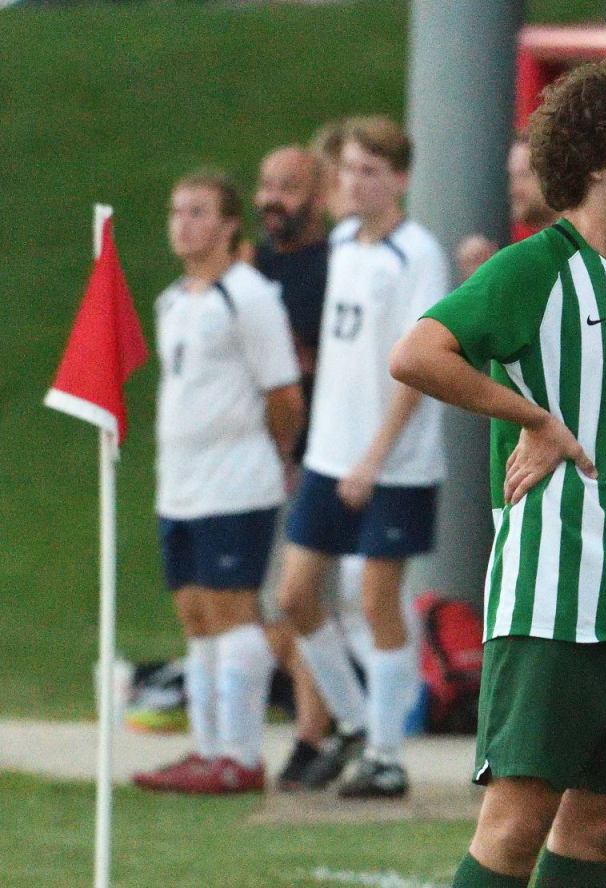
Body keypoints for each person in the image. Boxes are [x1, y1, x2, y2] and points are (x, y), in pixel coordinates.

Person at [391, 56, 606, 888]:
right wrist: (533, 417)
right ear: (588, 159)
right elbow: (417, 355)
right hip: (554, 599)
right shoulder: (532, 269)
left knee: (597, 825)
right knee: (514, 826)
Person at [276, 115, 450, 799]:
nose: (355, 182)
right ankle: (352, 721)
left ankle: (386, 753)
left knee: (377, 599)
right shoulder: (343, 243)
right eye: (348, 169)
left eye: (370, 171)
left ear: (400, 180)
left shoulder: (418, 255)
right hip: (329, 450)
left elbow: (418, 364)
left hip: (395, 461)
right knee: (295, 595)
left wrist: (374, 458)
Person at [134, 169, 303, 794]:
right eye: (178, 211)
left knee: (233, 612)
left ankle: (241, 752)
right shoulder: (174, 300)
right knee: (195, 614)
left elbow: (282, 392)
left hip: (236, 481)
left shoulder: (248, 295)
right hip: (178, 482)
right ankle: (205, 748)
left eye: (199, 211)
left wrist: (274, 453)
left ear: (230, 224)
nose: (184, 223)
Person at [251, 144, 343, 791]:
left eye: (287, 187)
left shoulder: (333, 268)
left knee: (301, 598)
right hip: (256, 461)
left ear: (316, 195)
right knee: (266, 612)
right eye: (265, 185)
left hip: (314, 454)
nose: (271, 199)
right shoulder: (255, 268)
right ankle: (339, 707)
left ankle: (315, 735)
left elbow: (306, 362)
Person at [455, 132, 558, 282]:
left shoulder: (581, 252)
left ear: (556, 177)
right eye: (512, 177)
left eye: (524, 175)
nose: (514, 190)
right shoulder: (530, 255)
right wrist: (485, 278)